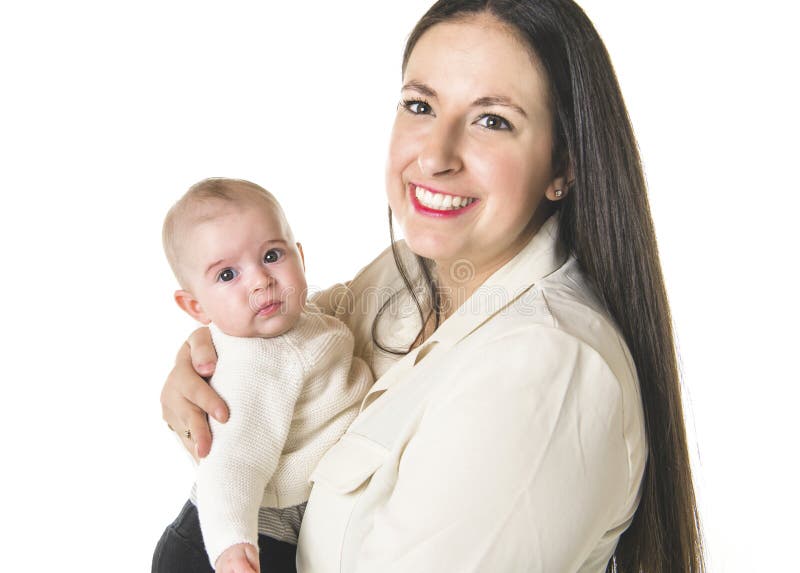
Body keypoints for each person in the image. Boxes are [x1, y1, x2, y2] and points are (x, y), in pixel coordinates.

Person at [160, 1, 705, 571]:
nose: (435, 155)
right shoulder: (406, 273)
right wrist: (197, 372)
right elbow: (276, 344)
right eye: (420, 105)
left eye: (492, 119)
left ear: (564, 164)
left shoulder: (543, 371)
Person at [152, 178, 372, 573]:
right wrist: (231, 549)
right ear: (195, 306)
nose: (259, 280)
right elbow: (231, 462)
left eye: (272, 255)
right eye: (227, 275)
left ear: (300, 259)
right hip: (236, 541)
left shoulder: (303, 325)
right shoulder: (255, 363)